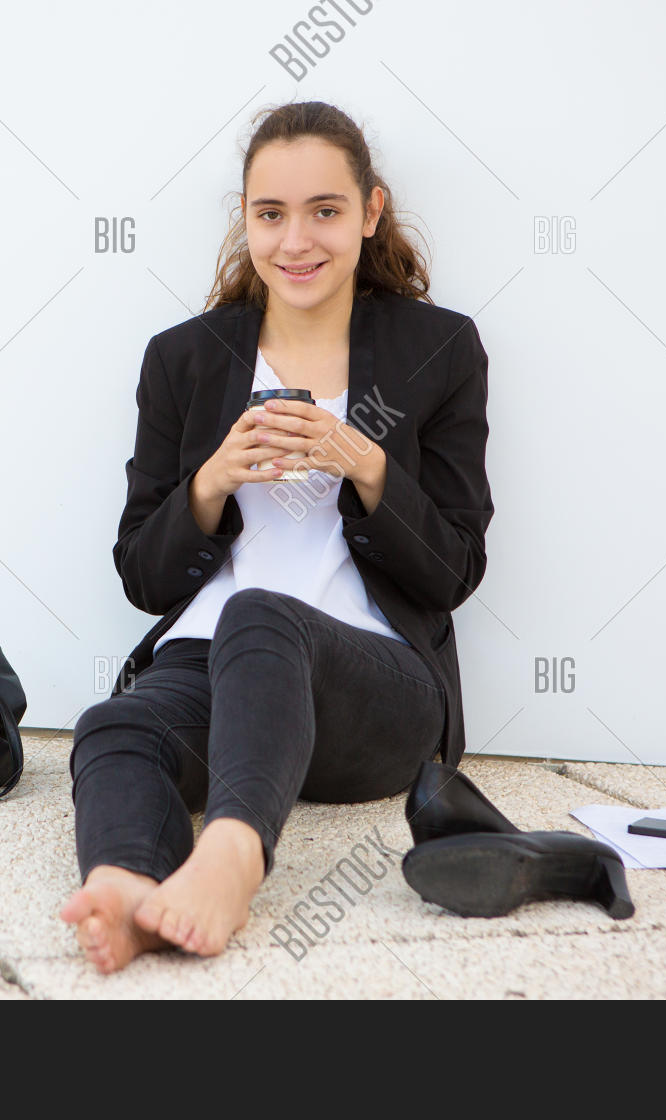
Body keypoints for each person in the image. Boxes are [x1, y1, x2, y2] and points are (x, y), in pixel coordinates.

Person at [58, 100, 494, 974]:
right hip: (211, 675)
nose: (296, 241)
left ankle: (230, 864)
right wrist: (210, 482)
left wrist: (364, 463)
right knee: (113, 724)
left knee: (260, 613)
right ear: (246, 220)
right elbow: (142, 575)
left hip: (370, 689)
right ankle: (128, 890)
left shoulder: (438, 348)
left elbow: (453, 569)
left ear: (370, 212)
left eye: (325, 210)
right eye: (271, 214)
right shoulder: (183, 359)